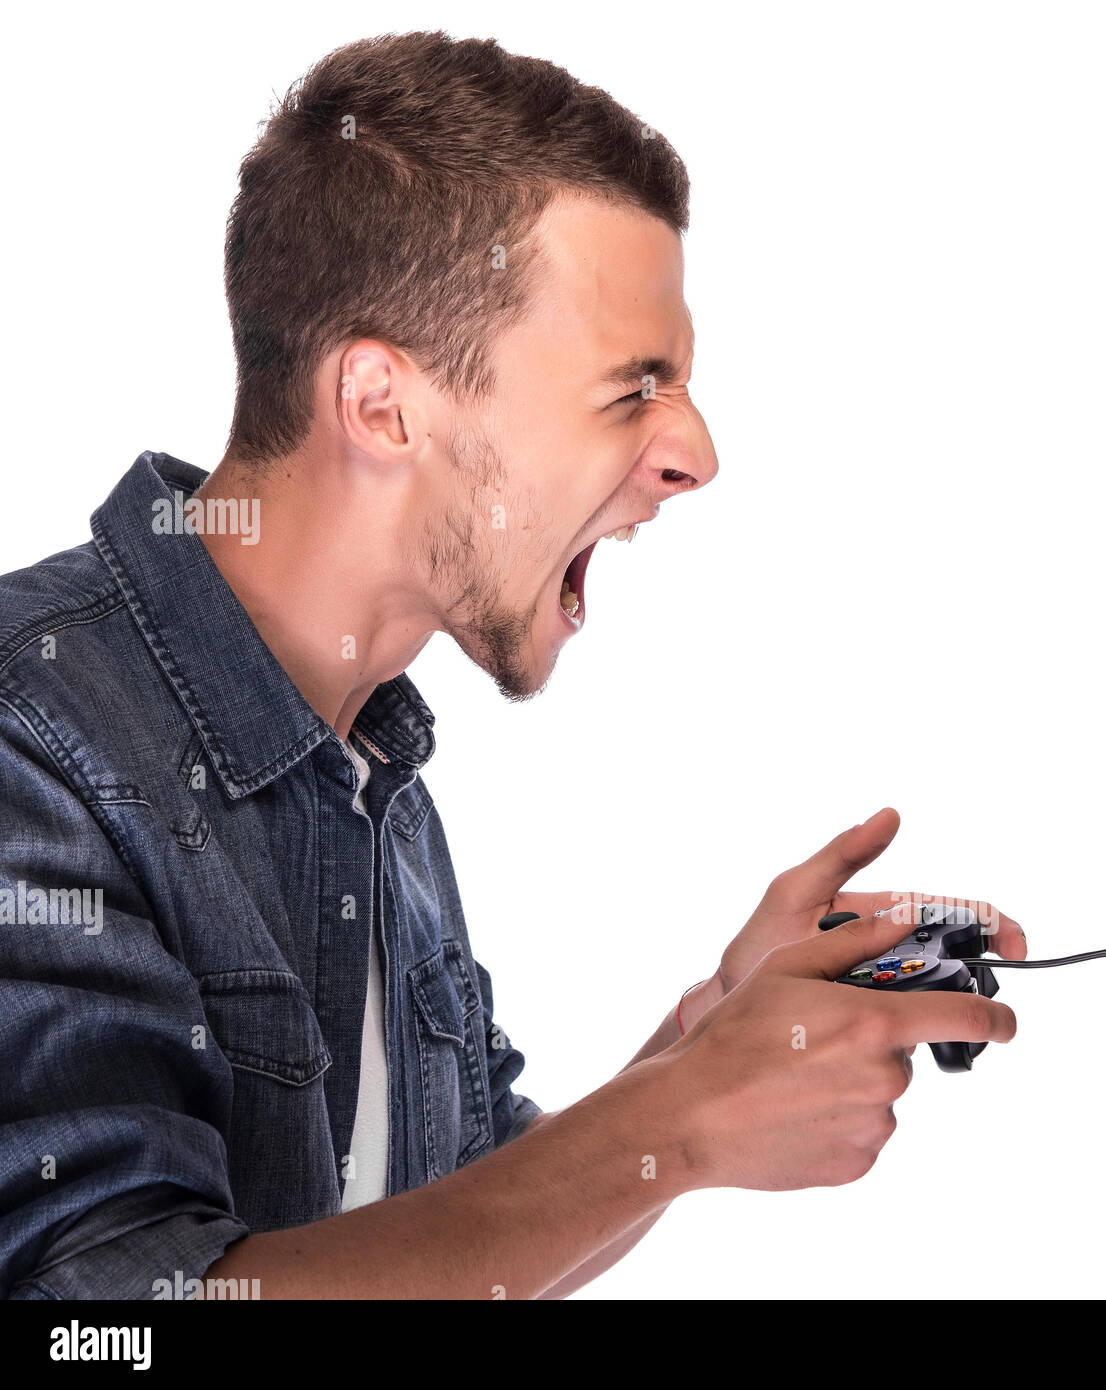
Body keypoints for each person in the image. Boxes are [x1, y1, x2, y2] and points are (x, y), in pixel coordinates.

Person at [0, 31, 1023, 1300]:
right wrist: (681, 1120)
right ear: (383, 404)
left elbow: (459, 1241)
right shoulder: (32, 738)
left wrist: (716, 1021)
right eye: (632, 386)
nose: (695, 451)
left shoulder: (374, 779)